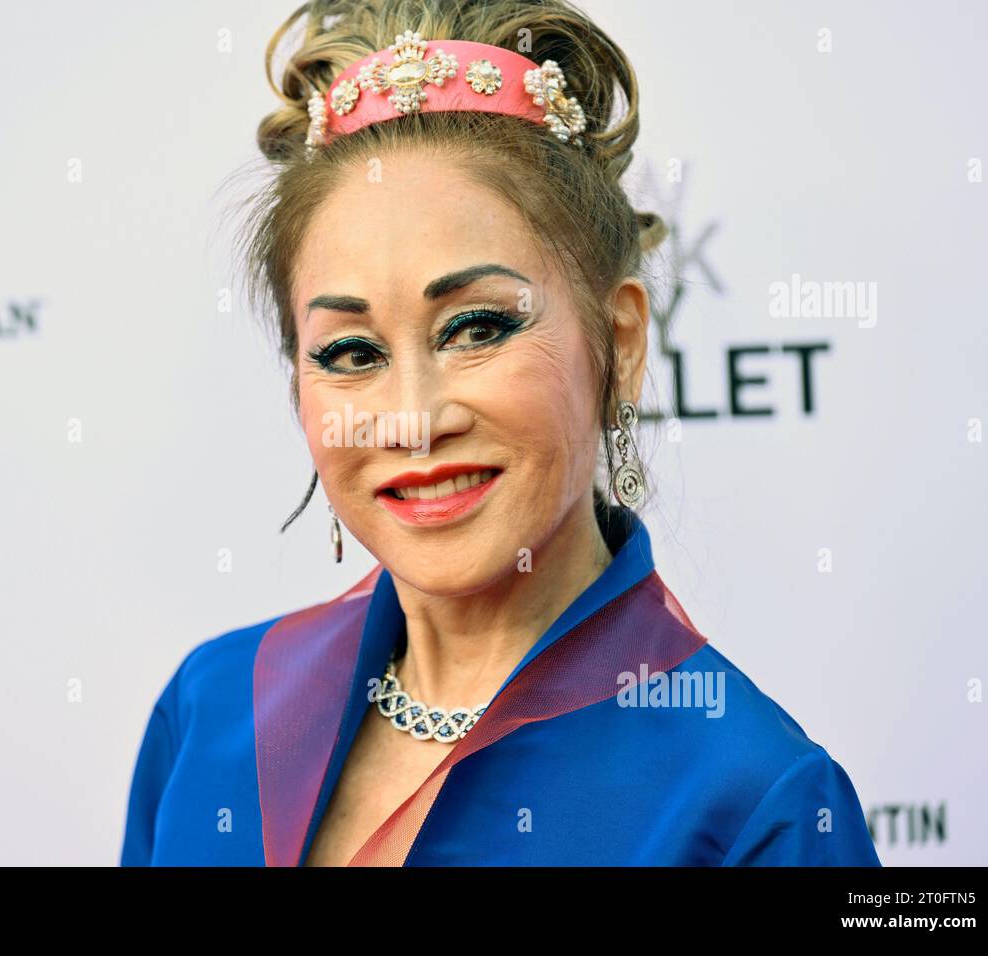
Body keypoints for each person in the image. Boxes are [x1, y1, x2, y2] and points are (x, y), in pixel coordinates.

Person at [121, 0, 881, 867]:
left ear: (620, 343)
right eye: (351, 349)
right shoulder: (211, 716)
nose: (413, 417)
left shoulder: (754, 806)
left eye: (476, 328)